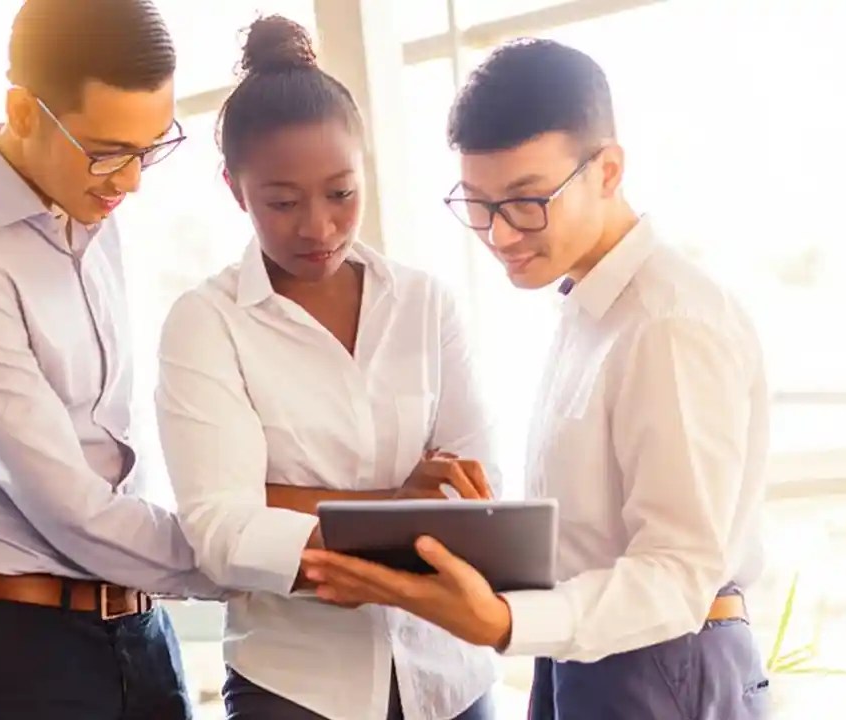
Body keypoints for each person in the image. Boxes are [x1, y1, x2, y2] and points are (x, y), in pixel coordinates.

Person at [300, 38, 772, 719]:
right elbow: (594, 535)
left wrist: (498, 623)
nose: (498, 234)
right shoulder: (587, 308)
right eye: (477, 204)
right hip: (589, 655)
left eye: (525, 201)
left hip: (668, 659)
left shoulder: (670, 324)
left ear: (607, 170)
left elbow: (676, 573)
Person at [154, 16, 501, 720]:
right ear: (234, 188)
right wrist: (397, 506)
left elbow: (476, 505)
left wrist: (287, 502)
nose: (318, 227)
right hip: (296, 689)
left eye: (341, 192)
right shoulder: (206, 323)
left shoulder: (426, 305)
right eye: (282, 202)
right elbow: (222, 535)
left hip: (452, 681)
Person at [0, 1, 221, 718]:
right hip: (19, 650)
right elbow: (70, 507)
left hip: (139, 627)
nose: (129, 181)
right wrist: (247, 556)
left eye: (149, 148)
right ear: (24, 111)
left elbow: (114, 454)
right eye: (107, 150)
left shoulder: (90, 213)